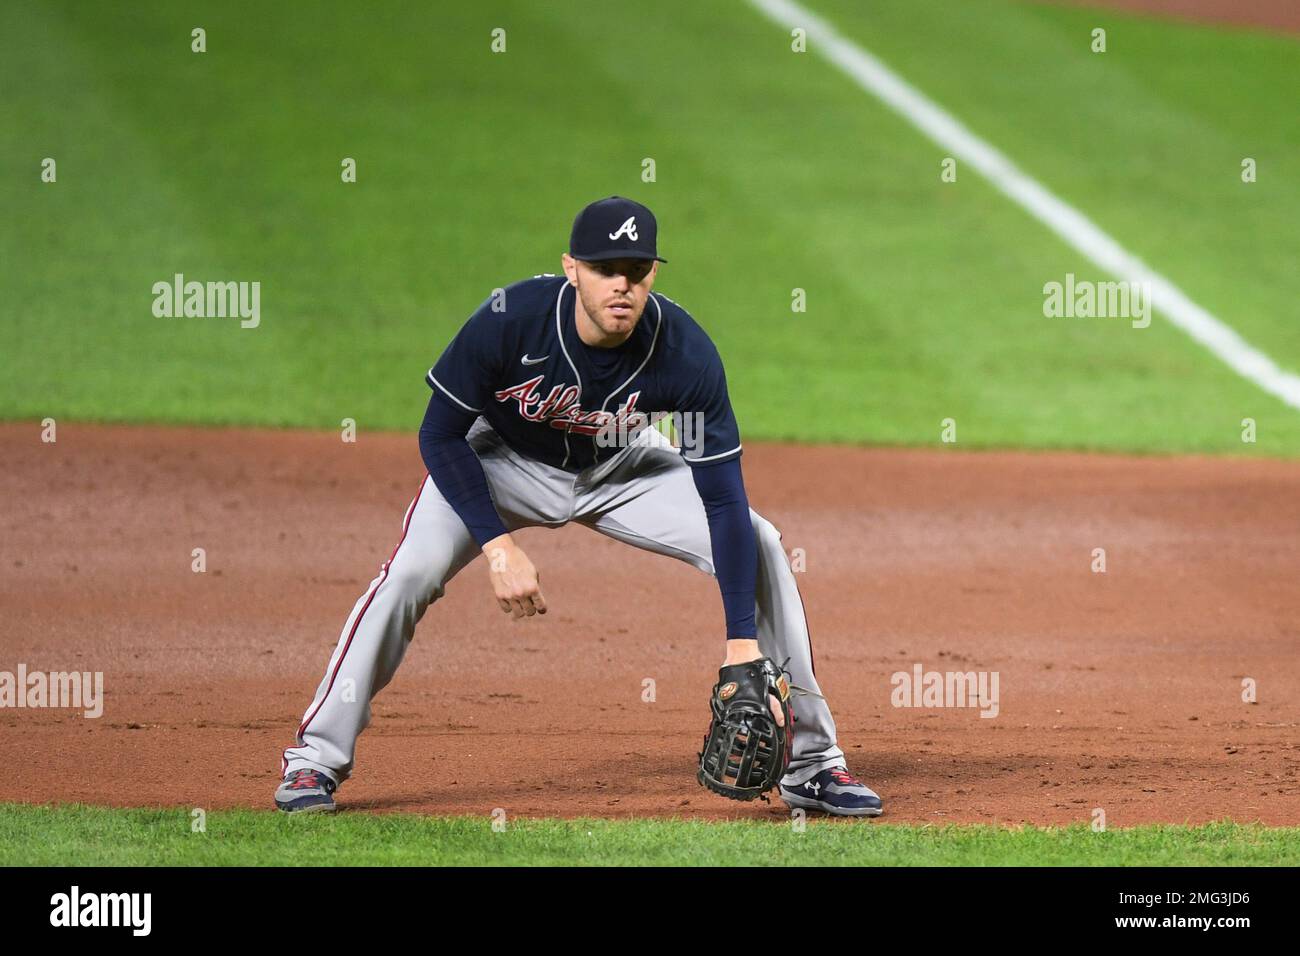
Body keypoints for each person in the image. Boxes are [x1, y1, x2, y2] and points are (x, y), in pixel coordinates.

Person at [275, 196, 882, 817]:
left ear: (654, 273)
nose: (621, 284)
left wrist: (740, 643)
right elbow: (439, 436)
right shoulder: (509, 320)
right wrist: (497, 545)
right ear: (571, 269)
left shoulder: (687, 355)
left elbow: (722, 498)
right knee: (407, 575)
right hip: (500, 461)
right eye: (604, 268)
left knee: (760, 544)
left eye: (637, 269)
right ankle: (314, 761)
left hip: (624, 465)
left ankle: (814, 765)